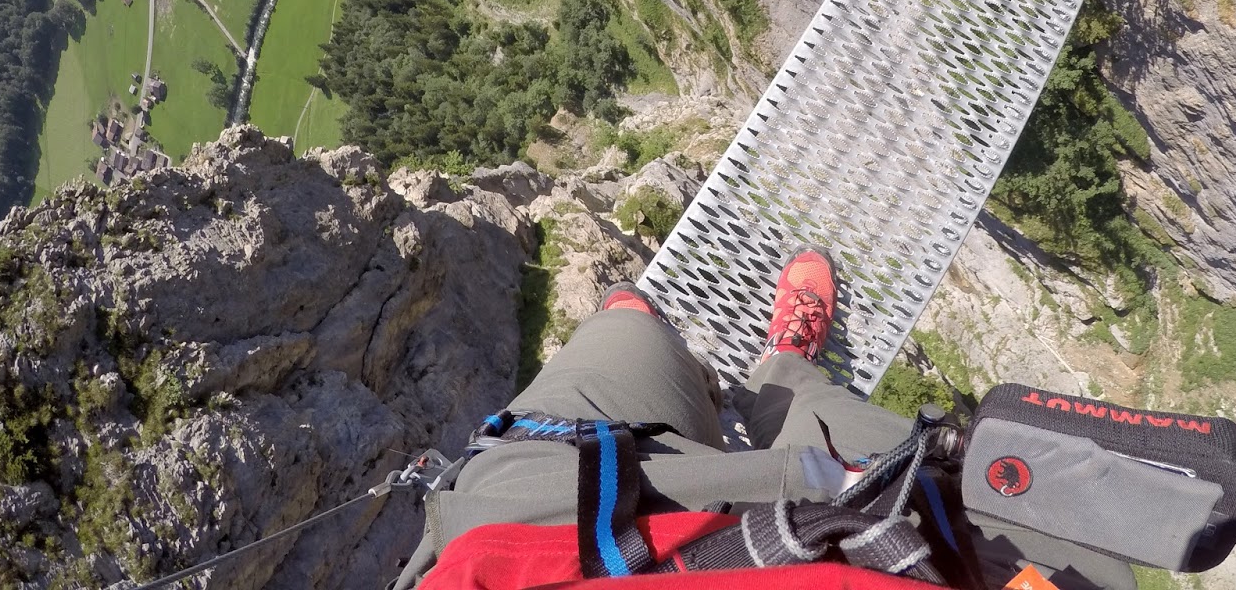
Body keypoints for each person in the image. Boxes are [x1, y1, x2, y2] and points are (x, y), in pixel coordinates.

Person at [397, 249, 1135, 590]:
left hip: (529, 531)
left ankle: (700, 358)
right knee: (821, 427)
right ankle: (781, 371)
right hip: (870, 536)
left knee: (627, 329)